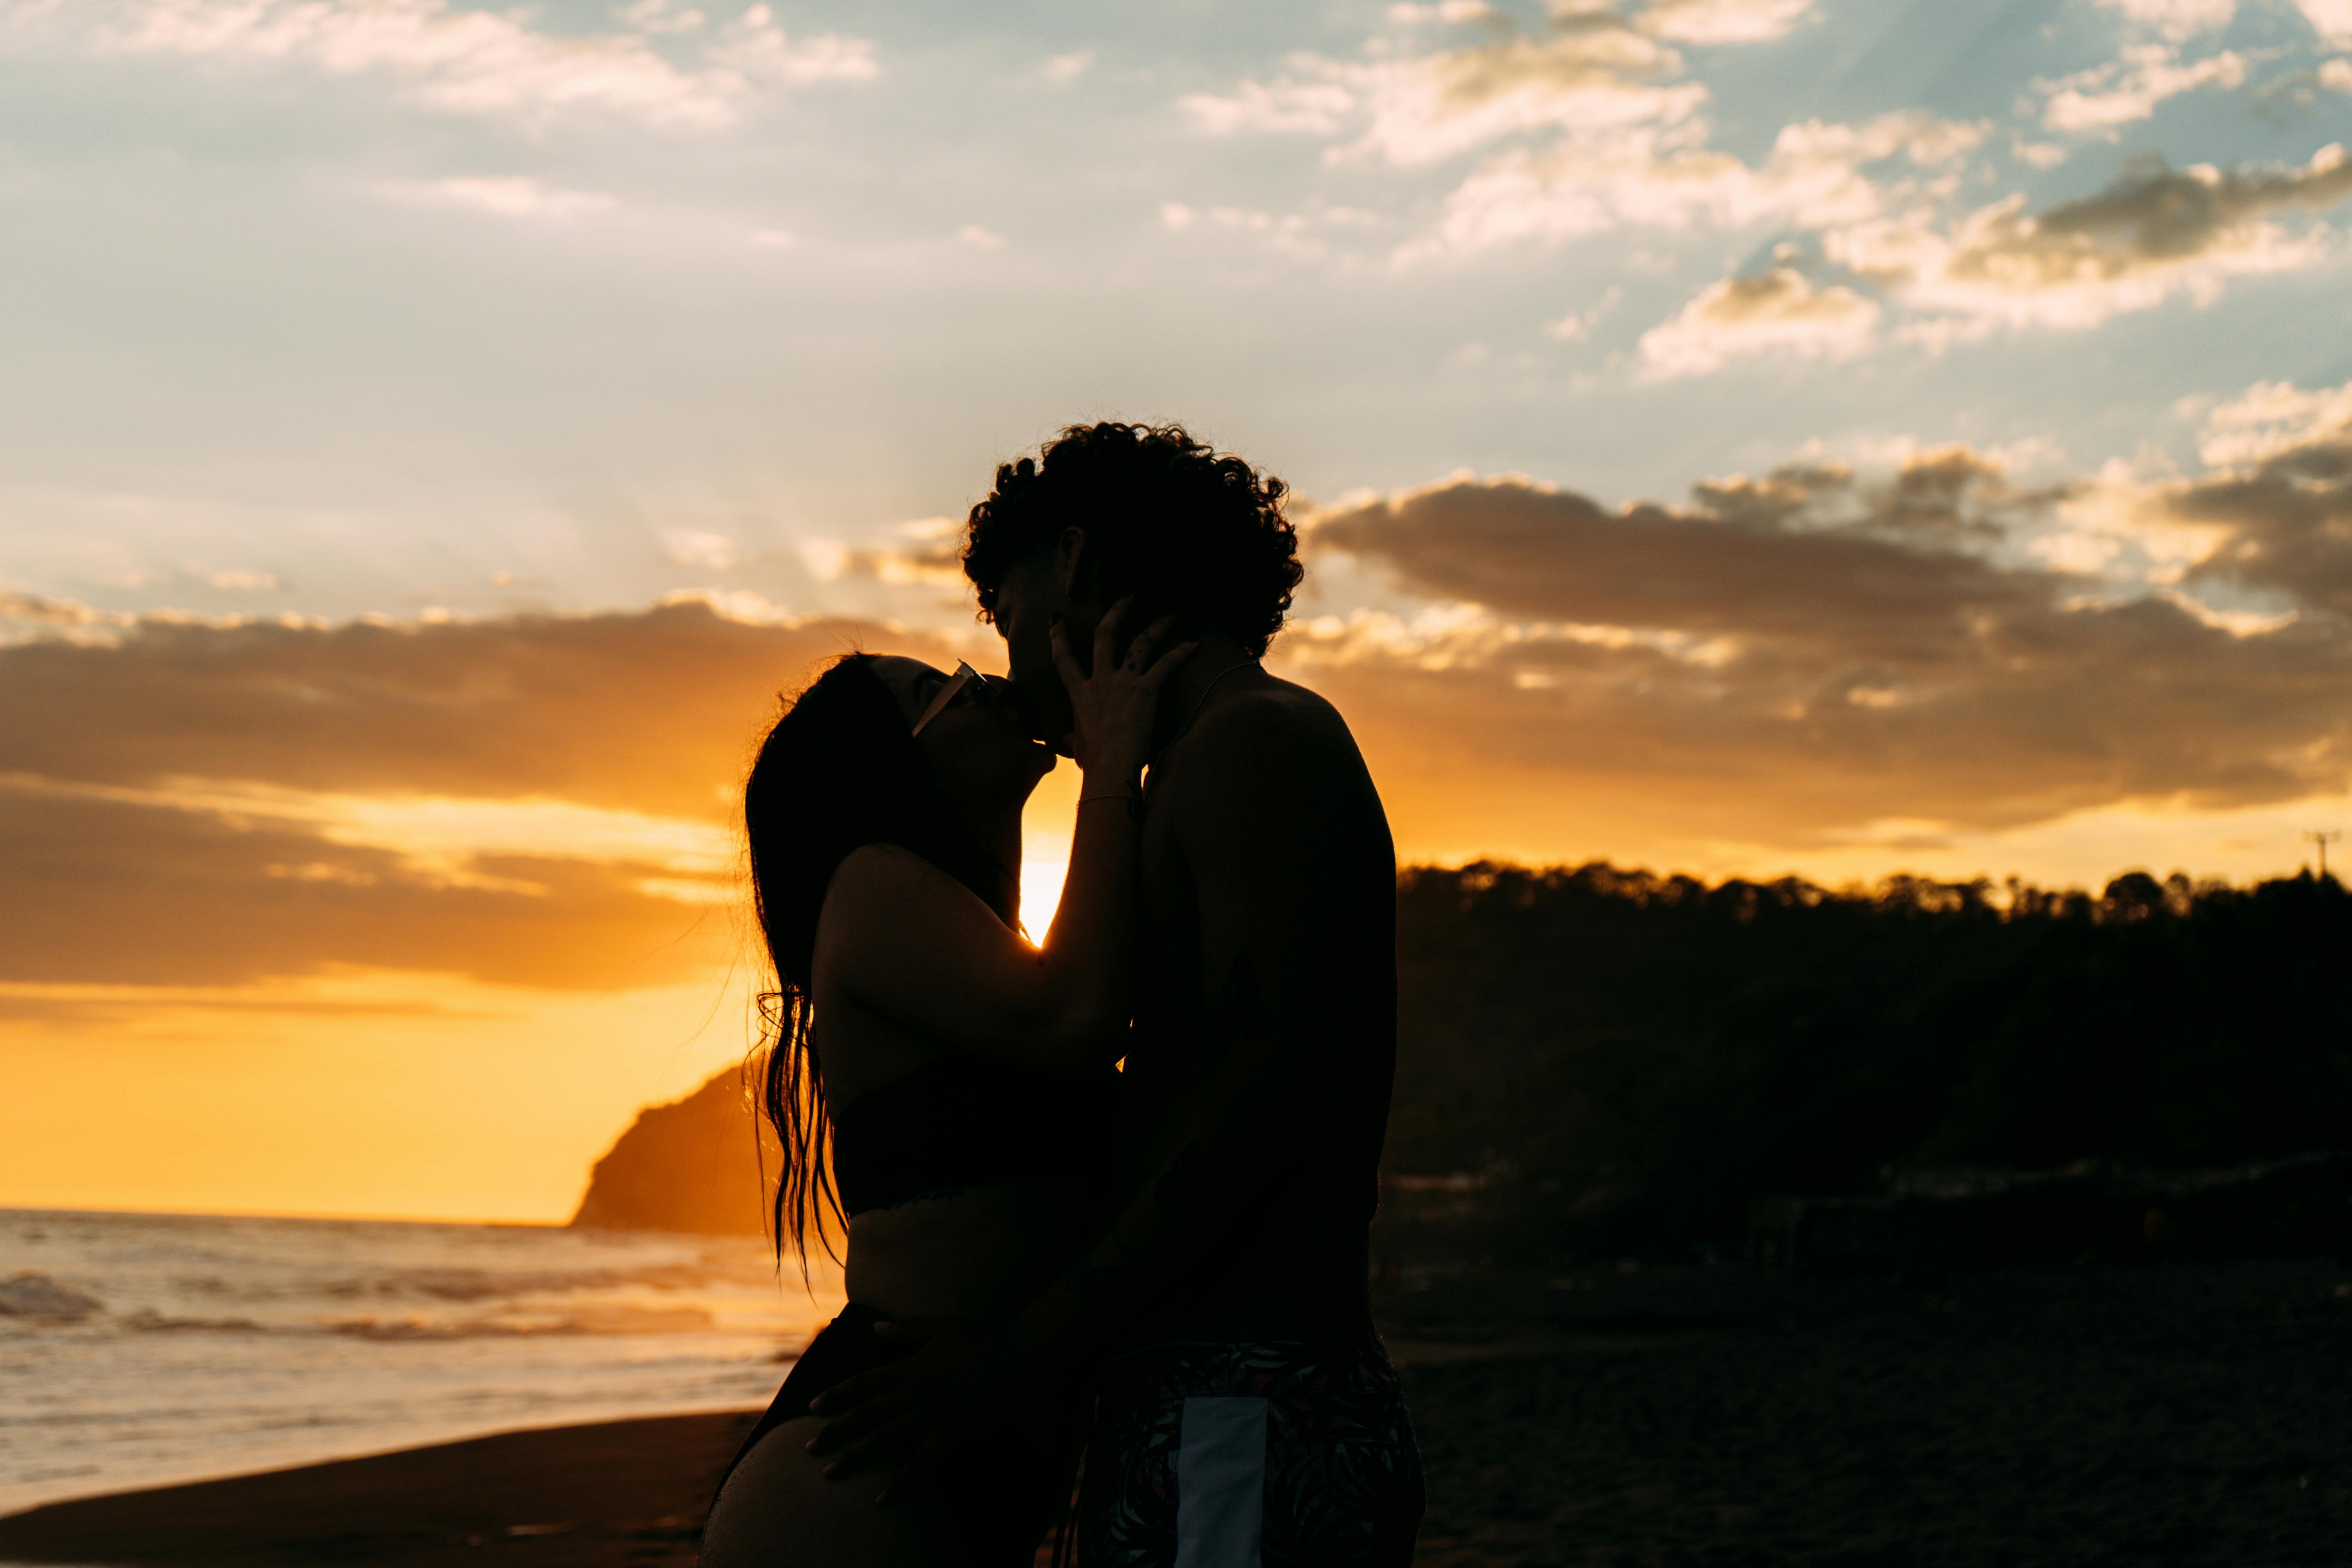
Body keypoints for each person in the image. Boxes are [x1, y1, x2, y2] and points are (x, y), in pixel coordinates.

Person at [809, 423, 1424, 1565]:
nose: (1001, 664)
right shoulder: (1192, 760)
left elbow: (1264, 1103)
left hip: (1243, 1390)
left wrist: (1019, 1354)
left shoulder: (1253, 743)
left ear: (1075, 568)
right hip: (1202, 1389)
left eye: (1003, 617)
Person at [697, 607, 1195, 1567]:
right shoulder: (871, 886)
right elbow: (1083, 1017)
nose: (987, 685)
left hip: (946, 1433)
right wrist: (1110, 764)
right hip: (860, 1465)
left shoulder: (974, 936)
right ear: (894, 765)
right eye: (940, 689)